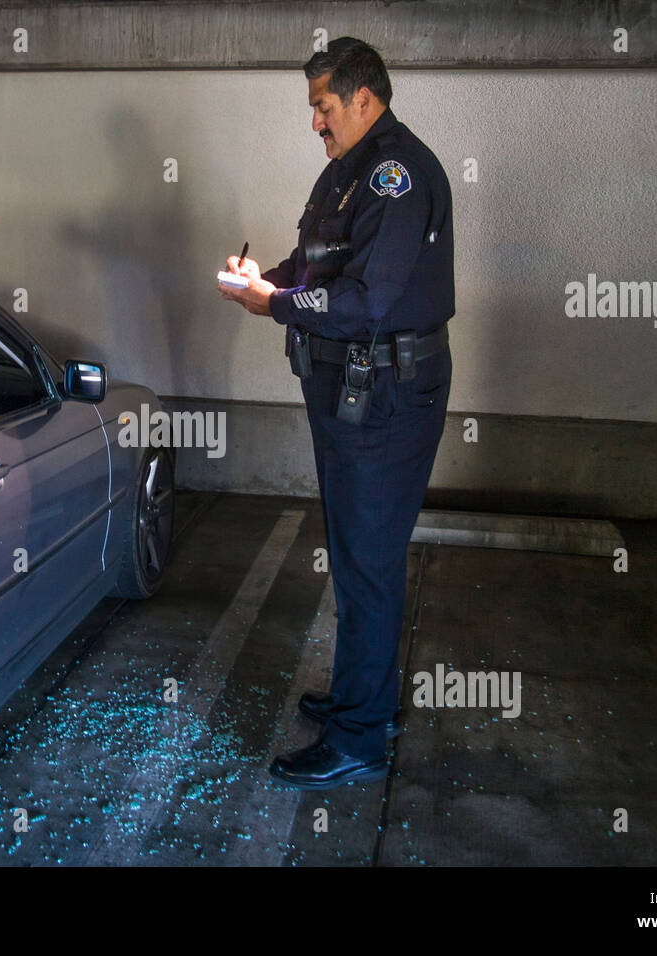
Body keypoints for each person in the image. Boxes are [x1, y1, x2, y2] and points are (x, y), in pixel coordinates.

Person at [219, 36, 454, 789]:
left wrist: (276, 304)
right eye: (313, 110)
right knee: (358, 558)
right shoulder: (346, 175)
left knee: (367, 562)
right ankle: (365, 700)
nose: (315, 124)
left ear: (364, 98)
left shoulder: (394, 173)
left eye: (323, 108)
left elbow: (365, 301)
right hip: (353, 394)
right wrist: (266, 281)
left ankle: (359, 736)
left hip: (383, 397)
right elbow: (318, 268)